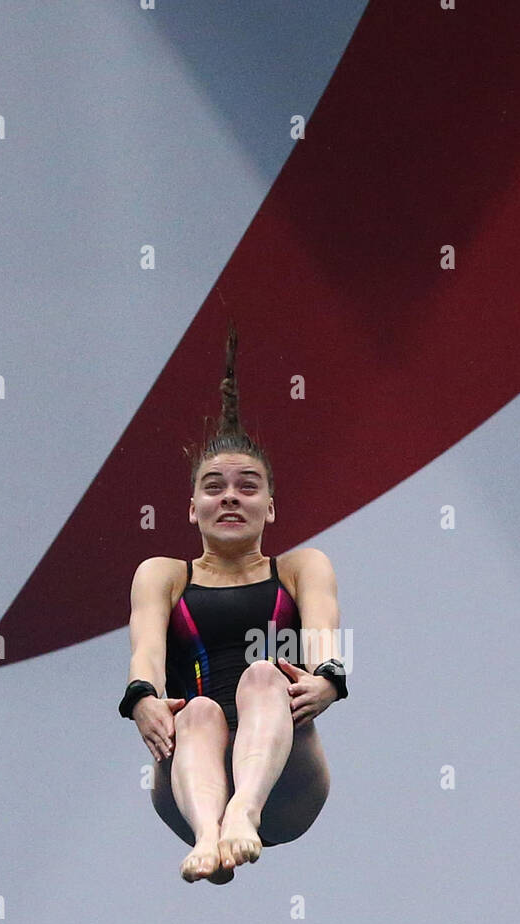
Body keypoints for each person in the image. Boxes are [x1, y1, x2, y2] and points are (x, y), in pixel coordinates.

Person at [119, 324, 348, 883]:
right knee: (195, 711)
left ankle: (243, 810)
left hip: (285, 777)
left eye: (247, 486)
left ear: (270, 507)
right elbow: (146, 651)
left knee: (264, 676)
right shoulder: (163, 575)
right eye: (214, 486)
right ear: (192, 507)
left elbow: (322, 632)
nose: (229, 496)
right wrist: (141, 700)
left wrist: (327, 678)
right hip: (189, 774)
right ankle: (208, 833)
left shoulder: (300, 567)